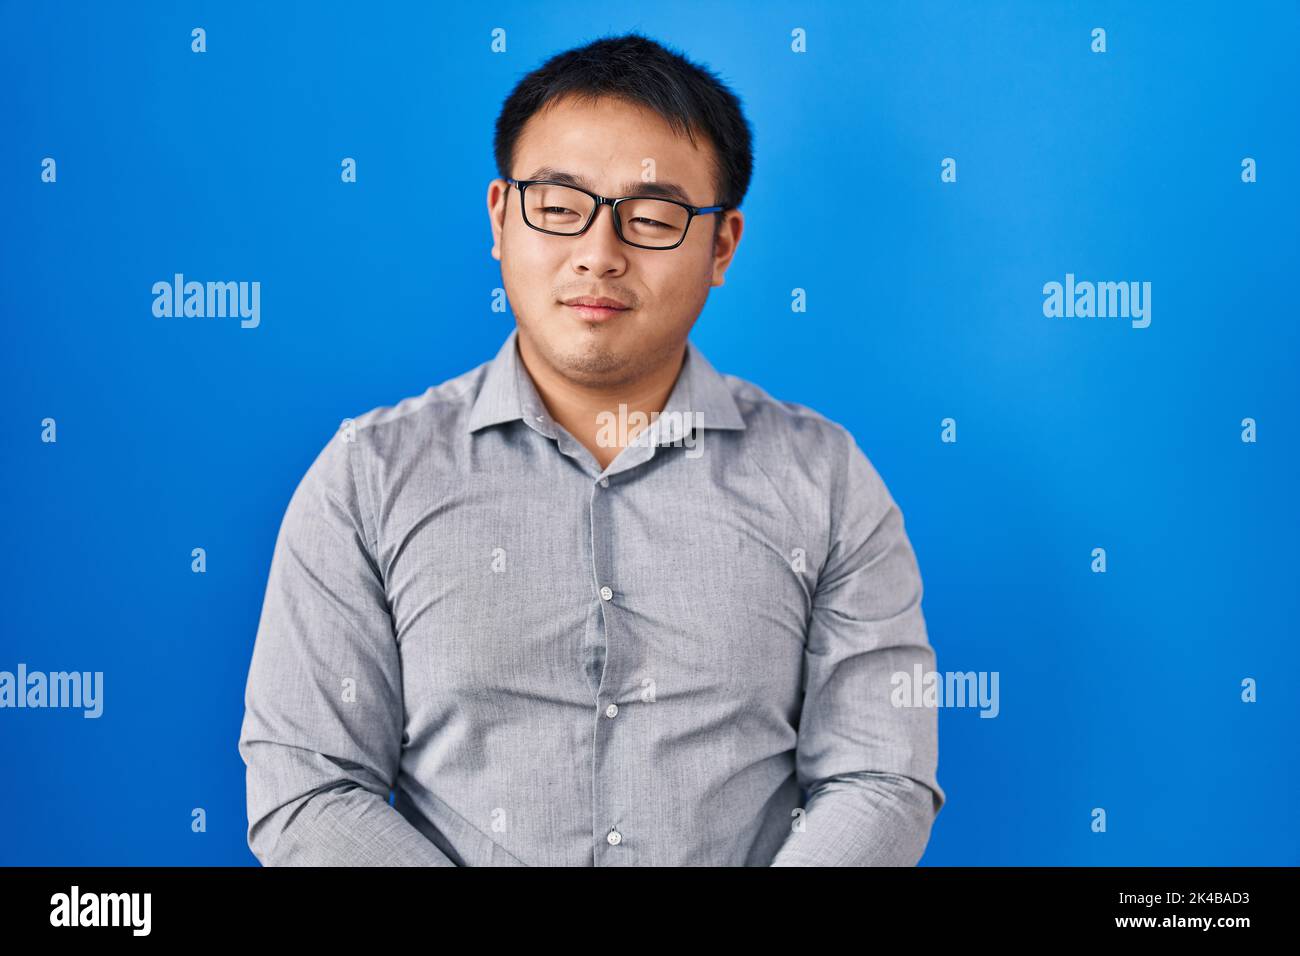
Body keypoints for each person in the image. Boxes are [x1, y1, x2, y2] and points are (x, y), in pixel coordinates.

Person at [238, 31, 945, 866]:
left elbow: (879, 775)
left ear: (722, 246)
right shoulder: (368, 476)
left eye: (651, 218)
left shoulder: (826, 480)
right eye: (561, 206)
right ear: (501, 218)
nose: (599, 255)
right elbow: (309, 786)